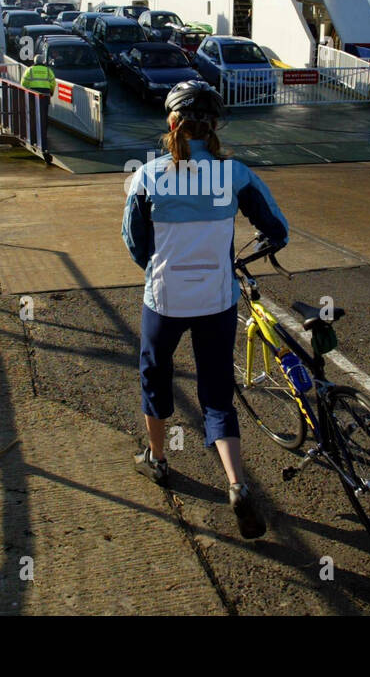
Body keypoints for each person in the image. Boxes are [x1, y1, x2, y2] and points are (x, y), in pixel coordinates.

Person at [121, 80, 289, 539]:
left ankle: (157, 461)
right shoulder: (234, 175)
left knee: (155, 375)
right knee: (217, 392)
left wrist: (157, 265)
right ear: (214, 127)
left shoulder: (148, 175)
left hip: (166, 300)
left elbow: (135, 242)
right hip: (217, 302)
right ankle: (237, 485)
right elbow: (276, 228)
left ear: (171, 124)